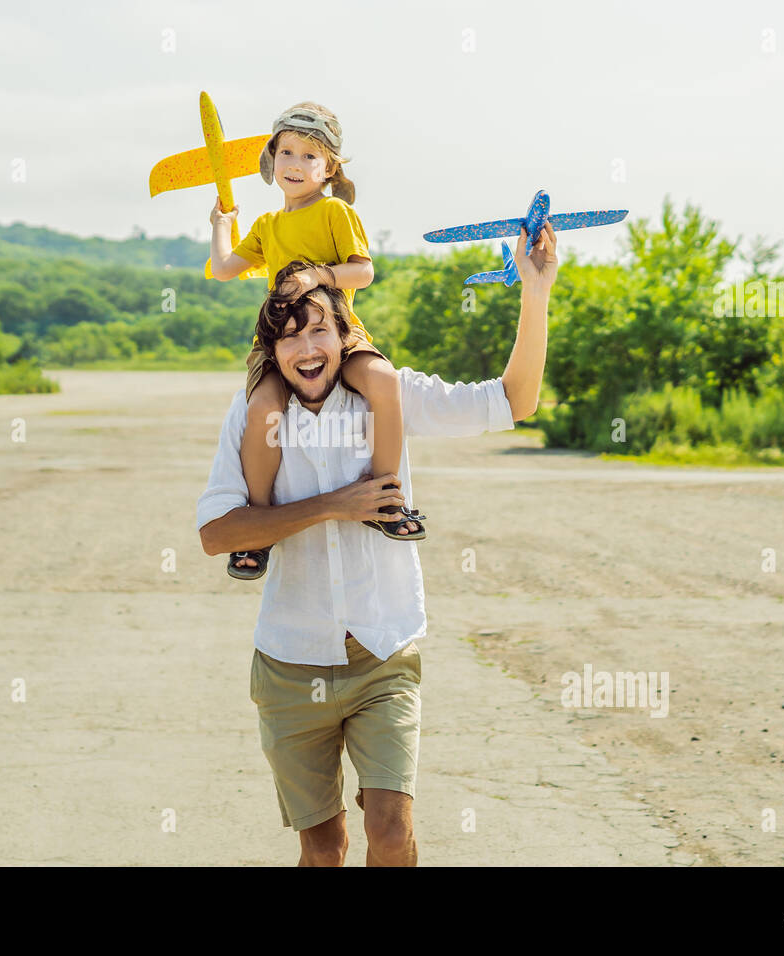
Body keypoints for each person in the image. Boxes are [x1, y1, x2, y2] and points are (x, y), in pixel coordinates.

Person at [195, 221, 559, 866]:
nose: (305, 348)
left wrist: (535, 291)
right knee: (325, 848)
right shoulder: (254, 410)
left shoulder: (389, 394)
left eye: (318, 330)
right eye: (288, 336)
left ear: (344, 334)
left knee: (390, 831)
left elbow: (516, 398)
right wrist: (338, 505)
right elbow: (219, 534)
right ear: (270, 350)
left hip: (383, 652)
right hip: (290, 660)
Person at [209, 101, 420, 582]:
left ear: (328, 170)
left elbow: (362, 271)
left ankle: (387, 500)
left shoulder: (333, 211)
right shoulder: (266, 226)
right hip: (277, 342)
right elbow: (224, 270)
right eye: (286, 152)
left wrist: (316, 276)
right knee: (263, 410)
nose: (295, 164)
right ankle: (256, 532)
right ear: (271, 162)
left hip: (338, 334)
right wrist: (222, 224)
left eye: (310, 156)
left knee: (383, 381)